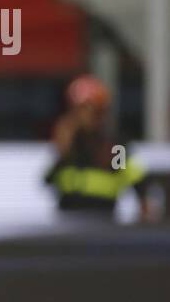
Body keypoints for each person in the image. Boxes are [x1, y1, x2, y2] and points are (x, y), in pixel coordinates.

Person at [44, 74, 153, 221]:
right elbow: (49, 180)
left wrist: (144, 210)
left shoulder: (114, 147)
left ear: (101, 111)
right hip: (69, 224)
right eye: (76, 109)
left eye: (87, 109)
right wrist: (63, 151)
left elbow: (137, 180)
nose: (81, 115)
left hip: (103, 225)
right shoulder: (72, 144)